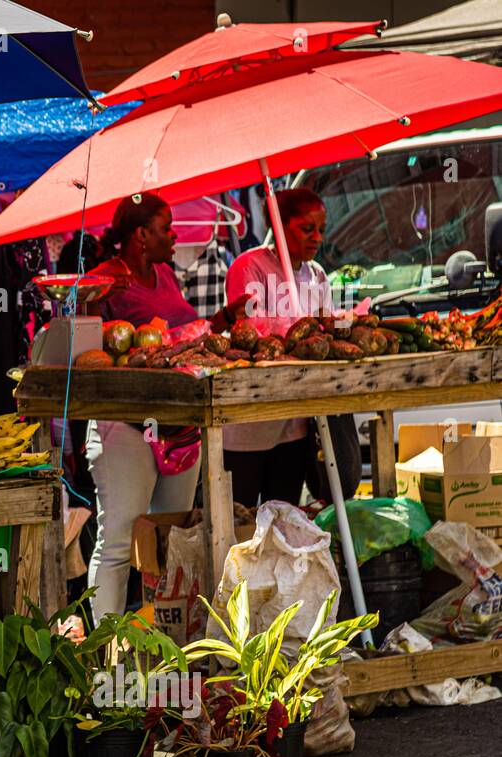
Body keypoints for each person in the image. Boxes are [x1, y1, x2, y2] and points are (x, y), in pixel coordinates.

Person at [82, 193, 246, 619]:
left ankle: (165, 638)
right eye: (166, 228)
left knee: (172, 535)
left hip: (176, 426)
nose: (175, 236)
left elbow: (180, 334)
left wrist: (222, 322)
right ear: (140, 235)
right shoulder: (103, 280)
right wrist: (92, 303)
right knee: (119, 540)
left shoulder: (166, 276)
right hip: (126, 428)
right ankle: (101, 652)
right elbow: (84, 346)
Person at [224, 187, 359, 507]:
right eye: (306, 228)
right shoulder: (249, 267)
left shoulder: (317, 276)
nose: (316, 238)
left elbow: (325, 335)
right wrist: (296, 328)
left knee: (283, 517)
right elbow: (248, 332)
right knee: (241, 519)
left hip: (295, 425)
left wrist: (344, 324)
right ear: (280, 225)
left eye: (321, 230)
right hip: (248, 423)